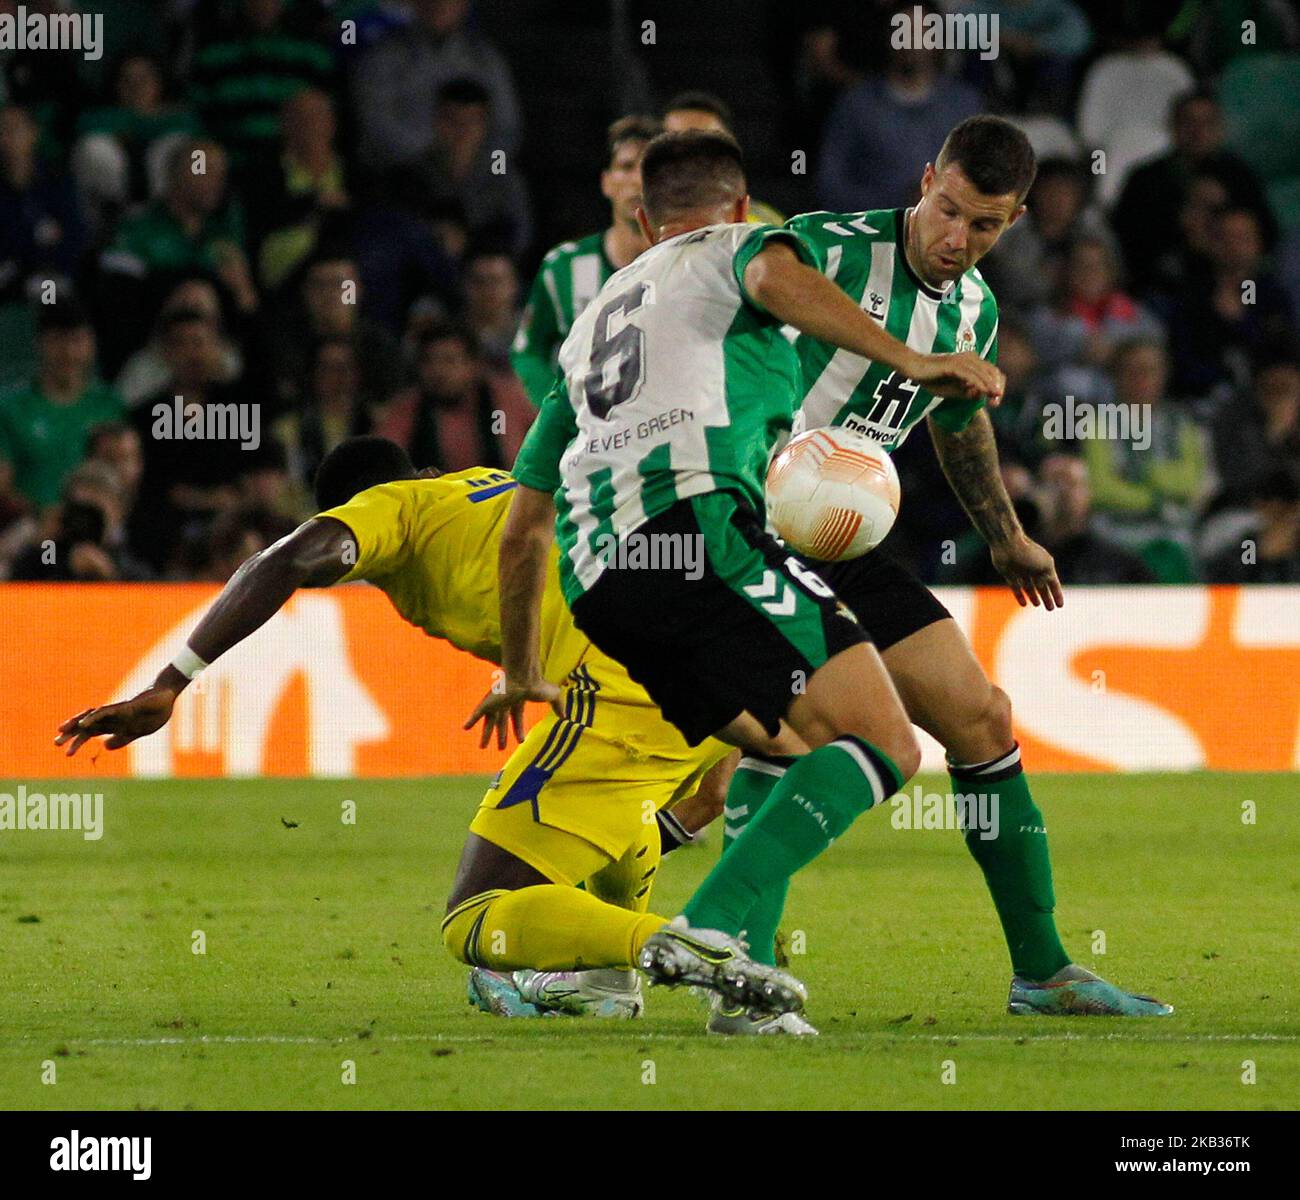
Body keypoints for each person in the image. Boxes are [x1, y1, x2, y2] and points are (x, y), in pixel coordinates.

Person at [471, 130, 1006, 1031]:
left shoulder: (593, 323)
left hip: (603, 578)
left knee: (784, 749)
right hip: (702, 531)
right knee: (888, 746)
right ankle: (706, 934)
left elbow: (523, 530)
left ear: (640, 222)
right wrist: (914, 363)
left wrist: (521, 668)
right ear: (742, 205)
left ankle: (723, 1000)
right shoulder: (741, 246)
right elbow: (772, 280)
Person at [55, 437, 749, 1025]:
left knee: (477, 911)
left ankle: (672, 945)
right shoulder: (487, 485)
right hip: (709, 649)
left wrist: (171, 682)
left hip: (625, 686)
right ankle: (607, 980)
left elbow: (282, 561)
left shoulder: (394, 506)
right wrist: (520, 664)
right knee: (610, 802)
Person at [746, 115, 1172, 1016]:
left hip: (845, 539)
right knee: (742, 758)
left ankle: (1043, 970)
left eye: (984, 225)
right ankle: (587, 938)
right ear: (925, 177)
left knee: (981, 717)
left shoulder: (974, 306)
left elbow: (953, 413)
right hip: (745, 521)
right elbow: (758, 278)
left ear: (1014, 221)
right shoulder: (830, 249)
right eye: (947, 211)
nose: (956, 239)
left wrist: (1007, 533)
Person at [509, 115, 658, 405]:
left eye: (649, 168)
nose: (638, 180)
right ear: (606, 182)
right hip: (588, 440)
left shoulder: (687, 264)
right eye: (626, 167)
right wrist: (558, 413)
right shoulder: (564, 266)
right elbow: (527, 353)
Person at [0, 299, 122, 511]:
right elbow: (3, 486)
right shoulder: (10, 409)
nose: (68, 352)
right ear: (39, 343)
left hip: (99, 526)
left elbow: (124, 476)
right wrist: (44, 517)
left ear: (92, 344)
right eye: (58, 340)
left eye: (77, 340)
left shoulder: (110, 407)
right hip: (29, 528)